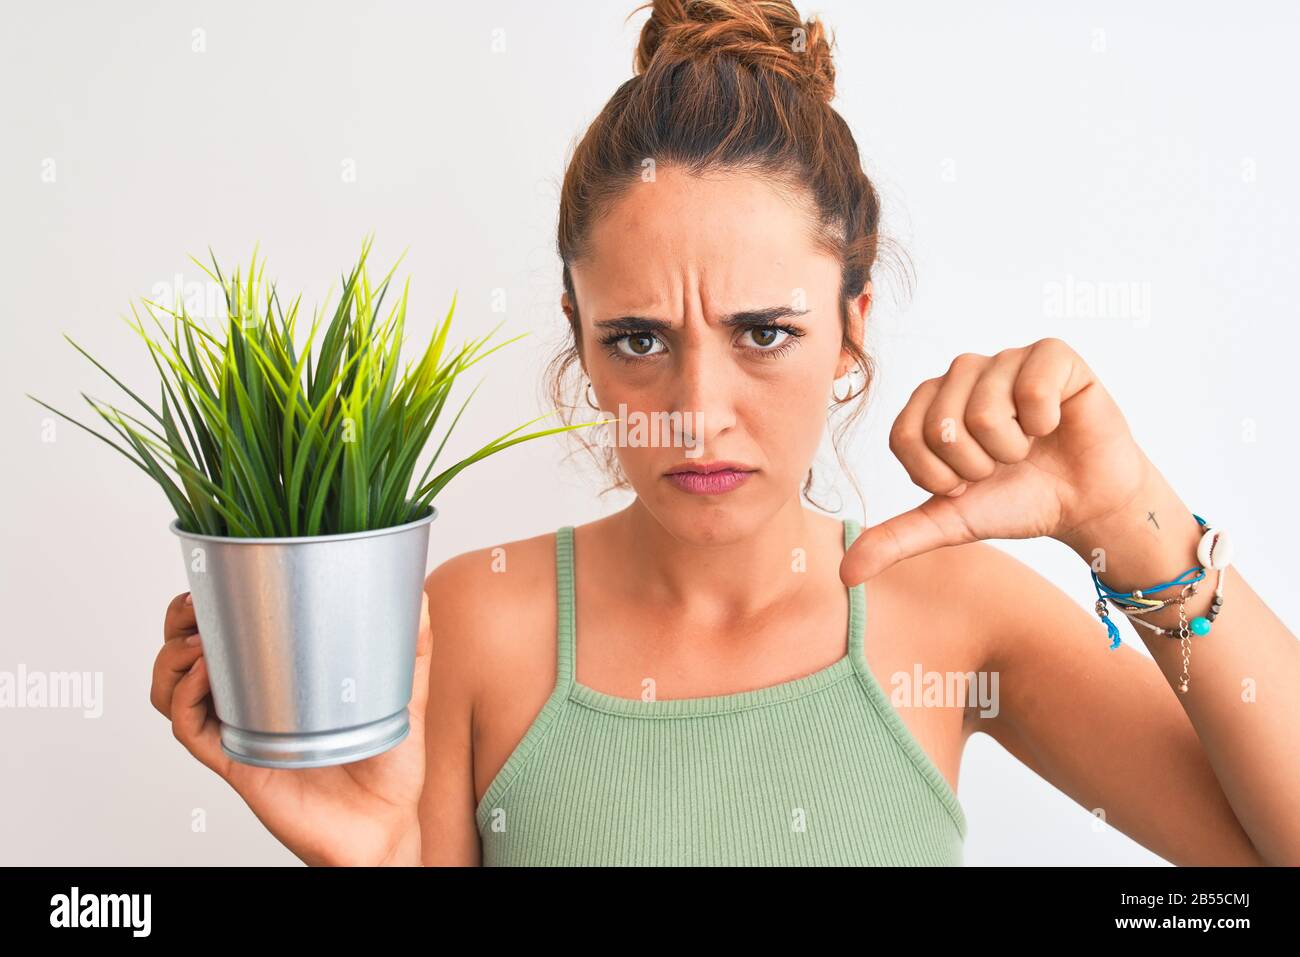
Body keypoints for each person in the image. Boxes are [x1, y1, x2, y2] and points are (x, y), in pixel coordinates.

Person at [150, 0, 1299, 866]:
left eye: (763, 331)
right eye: (640, 339)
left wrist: (1130, 520)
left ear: (852, 331)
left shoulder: (956, 617)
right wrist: (384, 861)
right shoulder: (468, 623)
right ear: (578, 335)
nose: (700, 405)